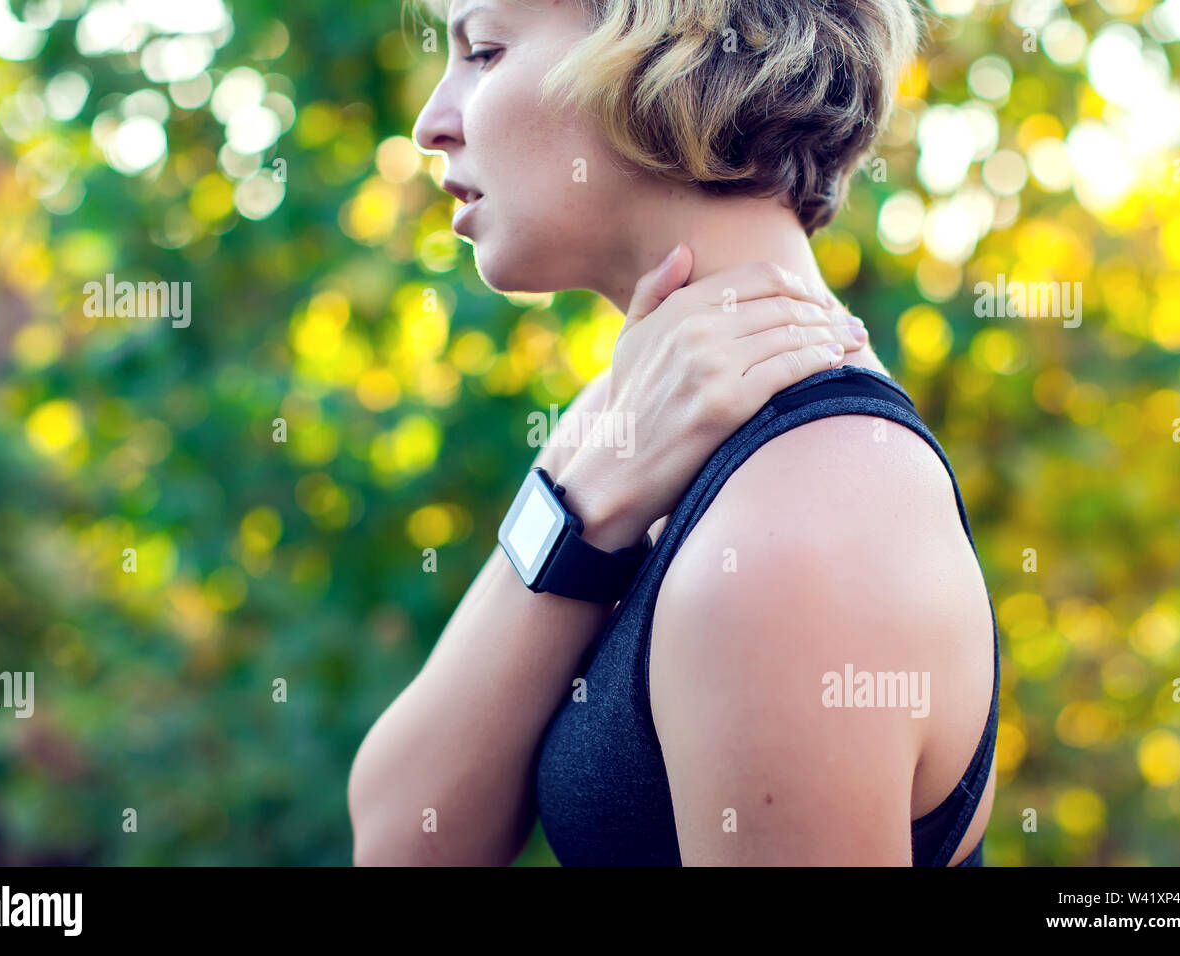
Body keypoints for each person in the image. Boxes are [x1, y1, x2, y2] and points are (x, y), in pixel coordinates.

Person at [348, 0, 998, 865]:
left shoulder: (805, 524)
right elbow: (400, 841)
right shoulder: (625, 424)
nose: (431, 125)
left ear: (663, 51)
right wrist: (584, 509)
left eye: (484, 50)